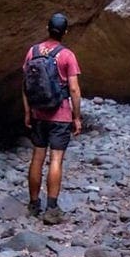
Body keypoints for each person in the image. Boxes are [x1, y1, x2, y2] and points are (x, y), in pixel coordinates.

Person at [22, 11, 82, 223]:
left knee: (37, 157)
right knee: (56, 160)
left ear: (47, 29)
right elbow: (73, 89)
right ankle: (52, 209)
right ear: (65, 32)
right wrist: (76, 117)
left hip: (38, 114)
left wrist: (28, 111)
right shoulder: (67, 55)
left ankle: (33, 204)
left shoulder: (32, 52)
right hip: (60, 115)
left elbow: (26, 85)